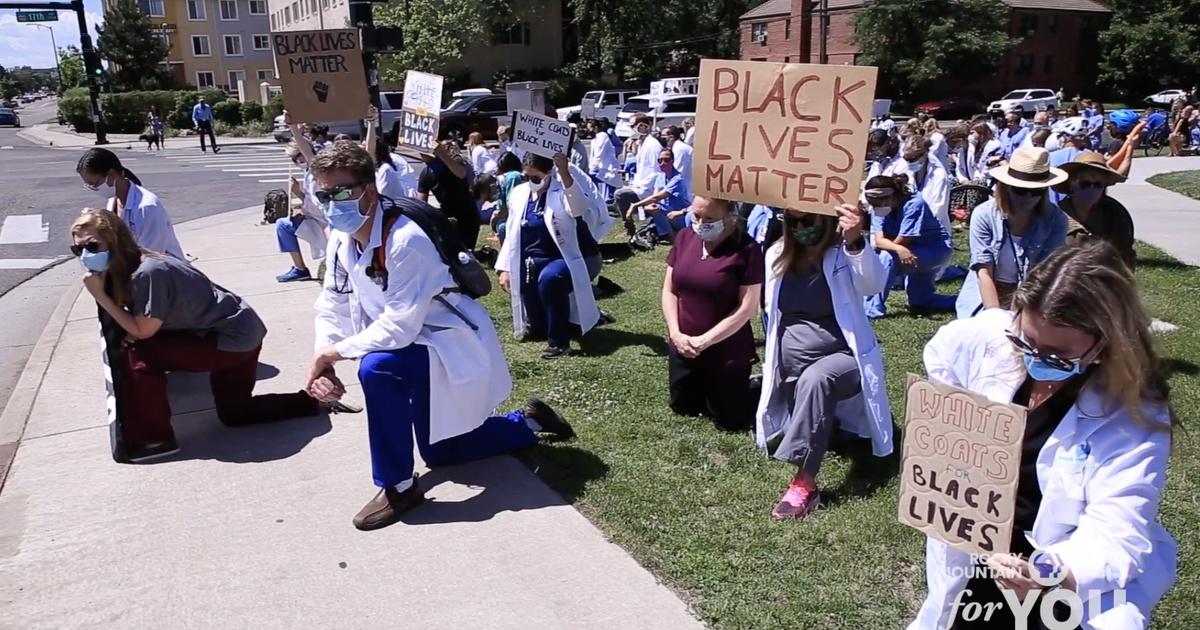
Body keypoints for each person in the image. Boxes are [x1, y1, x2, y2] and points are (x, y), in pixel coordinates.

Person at [305, 142, 575, 530]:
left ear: (371, 190)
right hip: (411, 344)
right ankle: (528, 422)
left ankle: (398, 488)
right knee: (444, 451)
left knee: (378, 369)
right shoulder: (341, 239)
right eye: (324, 194)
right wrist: (323, 355)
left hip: (444, 342)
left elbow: (399, 327)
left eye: (343, 192)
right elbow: (331, 302)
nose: (333, 203)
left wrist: (333, 355)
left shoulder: (404, 240)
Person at [909, 240, 1176, 630]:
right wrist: (950, 426)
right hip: (980, 552)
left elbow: (1116, 531)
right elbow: (941, 353)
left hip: (1063, 574)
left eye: (1057, 356)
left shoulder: (1133, 416)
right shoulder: (993, 339)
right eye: (1027, 342)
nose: (1036, 362)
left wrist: (1048, 574)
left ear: (1104, 342)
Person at [71, 209, 327, 462]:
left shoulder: (148, 271)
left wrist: (100, 295)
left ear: (115, 239)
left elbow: (142, 330)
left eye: (92, 246)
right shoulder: (135, 265)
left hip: (233, 337)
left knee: (142, 354)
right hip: (235, 331)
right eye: (78, 249)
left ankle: (155, 439)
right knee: (235, 414)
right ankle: (310, 402)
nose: (85, 255)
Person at [756, 203, 891, 519]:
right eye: (794, 220)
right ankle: (830, 430)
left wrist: (856, 240)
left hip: (843, 358)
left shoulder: (843, 254)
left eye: (809, 219)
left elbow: (873, 284)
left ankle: (805, 483)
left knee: (818, 379)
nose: (802, 226)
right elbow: (769, 310)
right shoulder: (777, 255)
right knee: (811, 389)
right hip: (791, 364)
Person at [661, 196, 763, 431]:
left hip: (726, 350)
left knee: (729, 421)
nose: (700, 222)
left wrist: (704, 341)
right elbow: (669, 290)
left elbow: (747, 307)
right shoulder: (685, 237)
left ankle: (756, 385)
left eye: (709, 218)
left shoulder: (747, 249)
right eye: (696, 215)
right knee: (683, 407)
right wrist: (675, 333)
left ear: (729, 217)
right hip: (684, 345)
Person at [496, 153, 604, 359]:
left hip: (561, 258)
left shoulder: (562, 191)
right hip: (529, 261)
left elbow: (579, 208)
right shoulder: (519, 194)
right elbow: (511, 233)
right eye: (526, 177)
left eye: (535, 177)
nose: (531, 182)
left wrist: (564, 171)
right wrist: (505, 268)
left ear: (548, 173)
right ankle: (560, 322)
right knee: (537, 327)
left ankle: (559, 343)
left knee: (550, 280)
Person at [957, 148, 1068, 319]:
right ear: (1006, 187)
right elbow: (983, 271)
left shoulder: (1056, 220)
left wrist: (1020, 315)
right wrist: (994, 317)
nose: (1028, 197)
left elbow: (1044, 274)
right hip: (985, 293)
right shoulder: (984, 214)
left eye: (1036, 191)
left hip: (1032, 295)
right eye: (1020, 190)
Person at [863, 175, 957, 317]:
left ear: (893, 195)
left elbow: (904, 240)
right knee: (921, 301)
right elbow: (879, 241)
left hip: (934, 250)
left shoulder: (914, 204)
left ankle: (871, 310)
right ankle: (969, 302)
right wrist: (899, 249)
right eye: (872, 202)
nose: (876, 205)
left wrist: (897, 248)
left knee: (887, 257)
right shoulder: (880, 208)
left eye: (878, 201)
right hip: (910, 250)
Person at [76, 148, 184, 260]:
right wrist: (96, 221)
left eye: (94, 184)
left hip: (165, 273)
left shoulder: (146, 207)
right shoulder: (113, 201)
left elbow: (151, 258)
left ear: (111, 175)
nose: (94, 189)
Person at [1054, 151, 1135, 269]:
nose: (1091, 189)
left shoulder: (1116, 214)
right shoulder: (1056, 218)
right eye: (1085, 184)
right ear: (1072, 184)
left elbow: (1126, 255)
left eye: (1098, 184)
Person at [274, 144, 329, 282]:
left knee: (283, 225)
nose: (296, 161)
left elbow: (318, 206)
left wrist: (298, 193)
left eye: (297, 157)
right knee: (284, 223)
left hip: (323, 223)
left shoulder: (315, 175)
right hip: (317, 219)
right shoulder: (310, 172)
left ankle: (300, 269)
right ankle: (299, 268)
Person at [418, 140, 479, 248]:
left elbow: (461, 173)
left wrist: (441, 153)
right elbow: (421, 202)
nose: (423, 155)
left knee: (467, 252)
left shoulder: (455, 161)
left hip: (467, 212)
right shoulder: (425, 174)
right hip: (447, 215)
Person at [624, 148, 691, 242]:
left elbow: (657, 197)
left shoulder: (677, 179)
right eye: (660, 160)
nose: (662, 163)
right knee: (652, 208)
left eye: (666, 160)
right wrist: (648, 205)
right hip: (668, 213)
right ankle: (666, 233)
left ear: (672, 161)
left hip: (680, 215)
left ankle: (672, 236)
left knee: (656, 209)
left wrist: (635, 205)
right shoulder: (660, 177)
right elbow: (655, 197)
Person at [612, 115, 664, 227]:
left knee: (620, 195)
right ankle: (636, 224)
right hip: (640, 185)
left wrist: (639, 186)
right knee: (620, 192)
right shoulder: (641, 144)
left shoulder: (652, 145)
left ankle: (629, 225)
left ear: (641, 126)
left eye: (632, 126)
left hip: (649, 188)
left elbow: (657, 172)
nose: (631, 130)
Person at [491, 151, 524, 245]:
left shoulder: (512, 177)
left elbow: (511, 204)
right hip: (506, 217)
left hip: (512, 220)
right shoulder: (507, 178)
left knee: (503, 227)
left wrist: (497, 217)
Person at [587, 118, 622, 202]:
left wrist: (592, 168)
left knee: (609, 192)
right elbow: (593, 156)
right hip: (602, 168)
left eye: (590, 129)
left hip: (609, 167)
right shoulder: (594, 139)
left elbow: (599, 154)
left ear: (595, 128)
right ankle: (598, 198)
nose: (589, 131)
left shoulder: (603, 136)